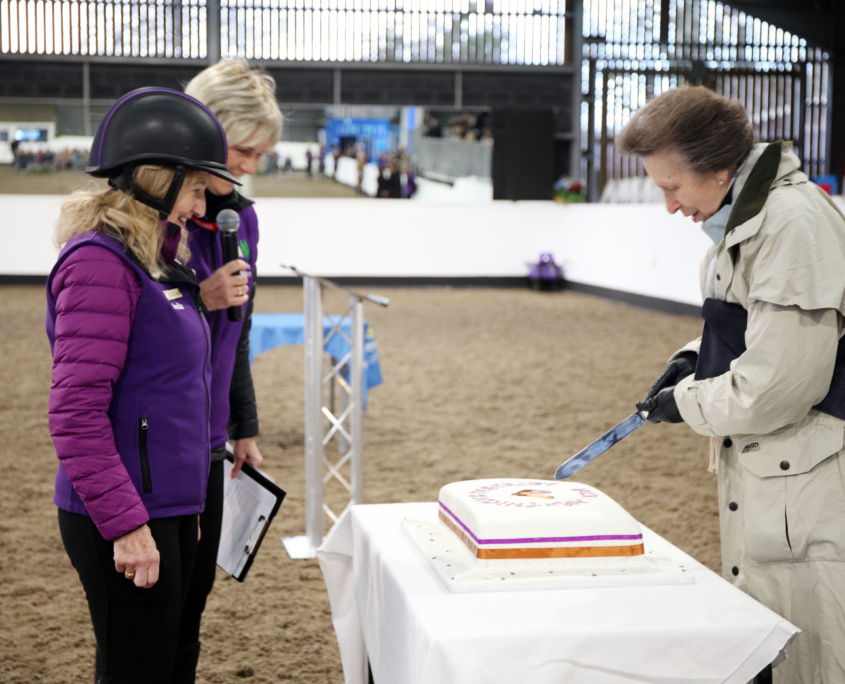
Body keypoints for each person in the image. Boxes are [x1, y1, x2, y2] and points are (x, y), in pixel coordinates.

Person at [618, 85, 845, 683]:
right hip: (780, 470)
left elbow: (778, 385)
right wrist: (694, 359)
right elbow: (750, 326)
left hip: (813, 480)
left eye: (673, 187)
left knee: (816, 652)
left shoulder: (792, 225)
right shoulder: (749, 217)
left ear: (720, 168)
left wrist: (684, 404)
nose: (669, 205)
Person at [47, 87, 239, 684]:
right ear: (158, 179)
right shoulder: (100, 266)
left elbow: (178, 394)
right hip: (124, 513)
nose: (200, 205)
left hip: (167, 506)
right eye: (196, 187)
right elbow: (76, 412)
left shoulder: (157, 264)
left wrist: (189, 509)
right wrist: (129, 525)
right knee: (138, 670)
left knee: (163, 661)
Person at [180, 57, 282, 683]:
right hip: (159, 442)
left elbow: (237, 332)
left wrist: (243, 425)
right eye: (242, 151)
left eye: (258, 154)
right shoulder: (151, 216)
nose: (248, 167)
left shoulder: (238, 218)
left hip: (214, 442)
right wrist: (199, 296)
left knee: (191, 611)